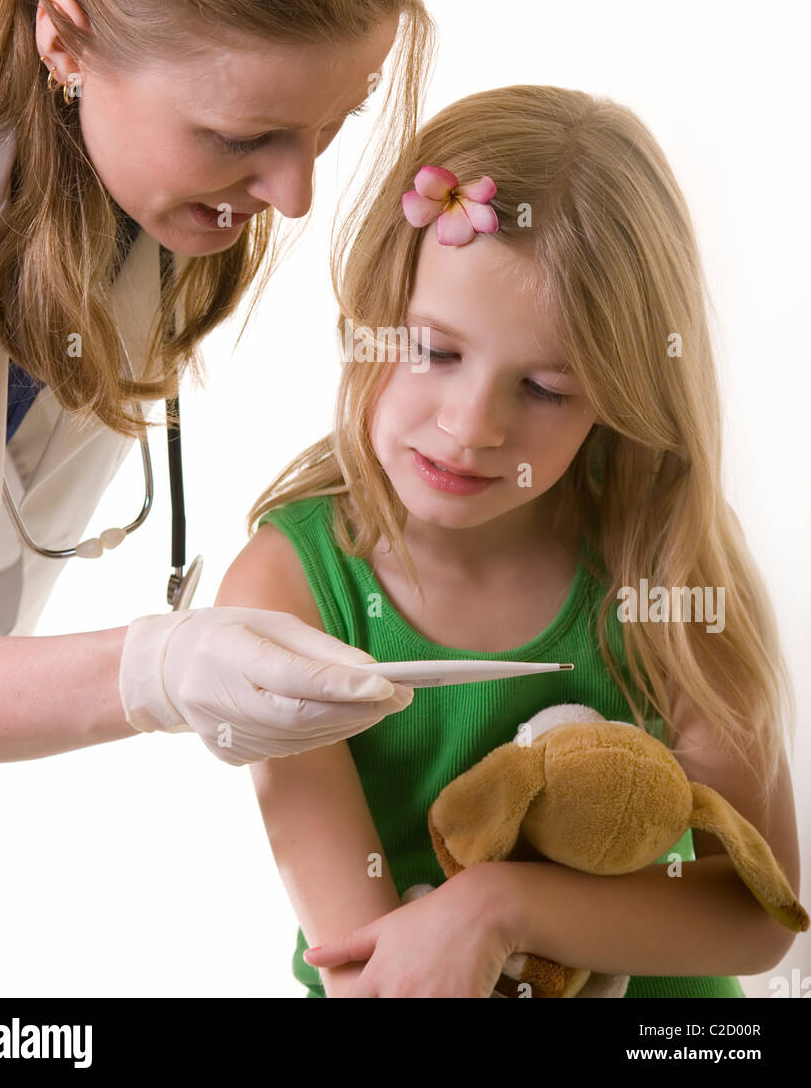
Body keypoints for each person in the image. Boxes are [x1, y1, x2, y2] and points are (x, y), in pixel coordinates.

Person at [214, 84, 802, 997]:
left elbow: (759, 913)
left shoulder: (663, 564)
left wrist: (501, 908)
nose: (470, 426)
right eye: (435, 351)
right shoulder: (285, 590)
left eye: (545, 389)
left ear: (617, 401)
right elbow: (367, 973)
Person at [0, 0, 435, 829]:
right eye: (241, 136)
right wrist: (152, 670)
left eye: (330, 127)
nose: (295, 194)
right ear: (63, 40)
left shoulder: (121, 182)